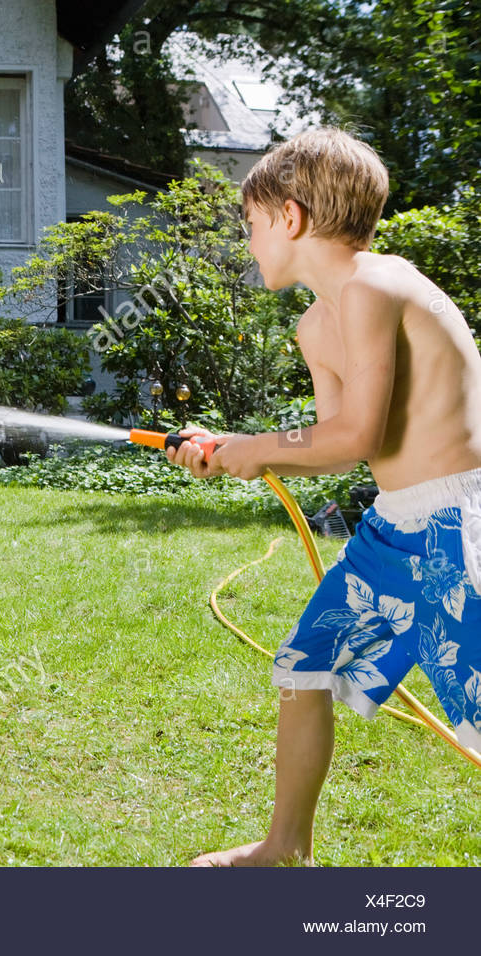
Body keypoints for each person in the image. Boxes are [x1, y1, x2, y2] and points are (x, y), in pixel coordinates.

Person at [167, 127, 481, 866]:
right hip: (396, 527)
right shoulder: (317, 323)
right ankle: (284, 850)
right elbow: (336, 445)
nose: (248, 244)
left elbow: (360, 430)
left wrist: (257, 447)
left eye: (249, 226)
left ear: (290, 216)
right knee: (304, 669)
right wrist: (231, 449)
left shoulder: (377, 284)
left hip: (455, 524)